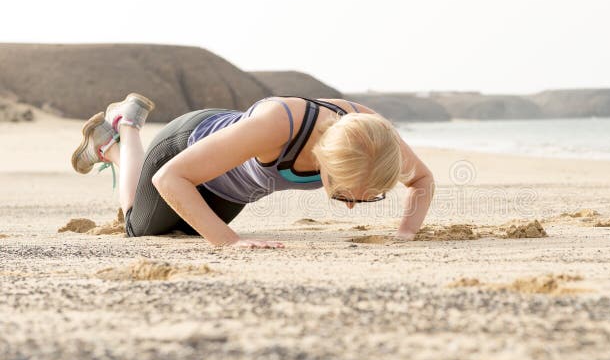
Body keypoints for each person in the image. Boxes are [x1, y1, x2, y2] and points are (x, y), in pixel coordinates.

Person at [70, 93, 434, 248]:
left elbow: (421, 179)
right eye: (342, 193)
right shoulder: (279, 124)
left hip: (232, 187)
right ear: (323, 158)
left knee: (189, 231)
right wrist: (230, 242)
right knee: (139, 228)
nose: (351, 206)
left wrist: (405, 233)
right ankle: (122, 133)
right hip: (184, 148)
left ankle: (112, 141)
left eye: (365, 198)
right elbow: (169, 179)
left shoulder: (375, 137)